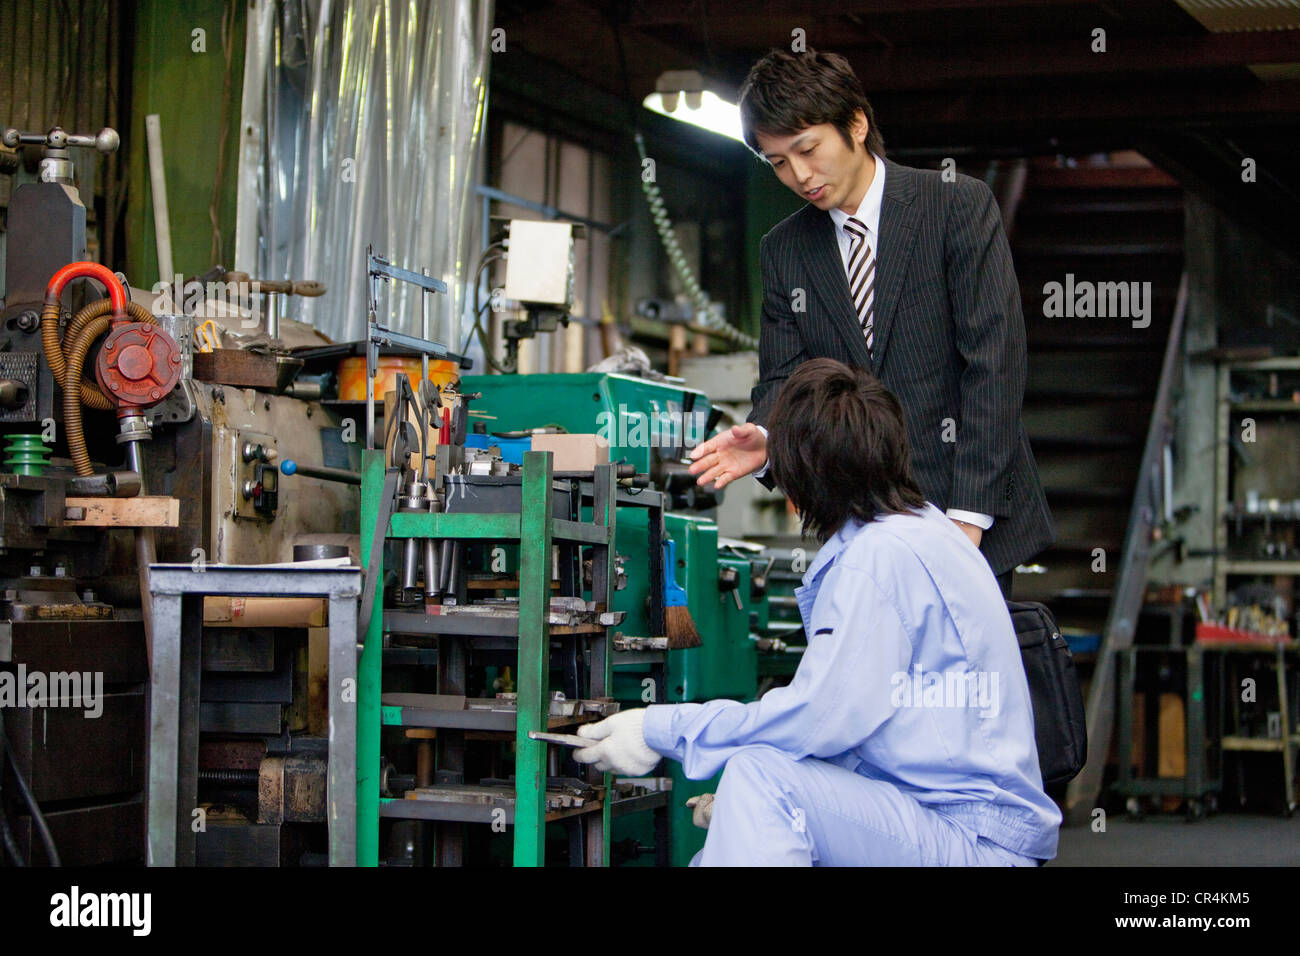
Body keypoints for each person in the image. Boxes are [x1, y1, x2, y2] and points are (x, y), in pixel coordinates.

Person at [574, 359, 1061, 866]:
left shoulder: (879, 556)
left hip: (970, 839)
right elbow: (864, 723)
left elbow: (820, 718)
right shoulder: (925, 527)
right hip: (947, 820)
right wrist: (757, 814)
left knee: (760, 778)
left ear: (807, 476)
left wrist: (657, 730)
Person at [687, 48, 1053, 594]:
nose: (800, 175)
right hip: (861, 530)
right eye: (778, 162)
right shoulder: (784, 250)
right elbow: (784, 378)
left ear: (856, 124)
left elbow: (994, 364)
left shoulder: (955, 206)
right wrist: (768, 437)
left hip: (973, 524)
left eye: (808, 149)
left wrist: (967, 520)